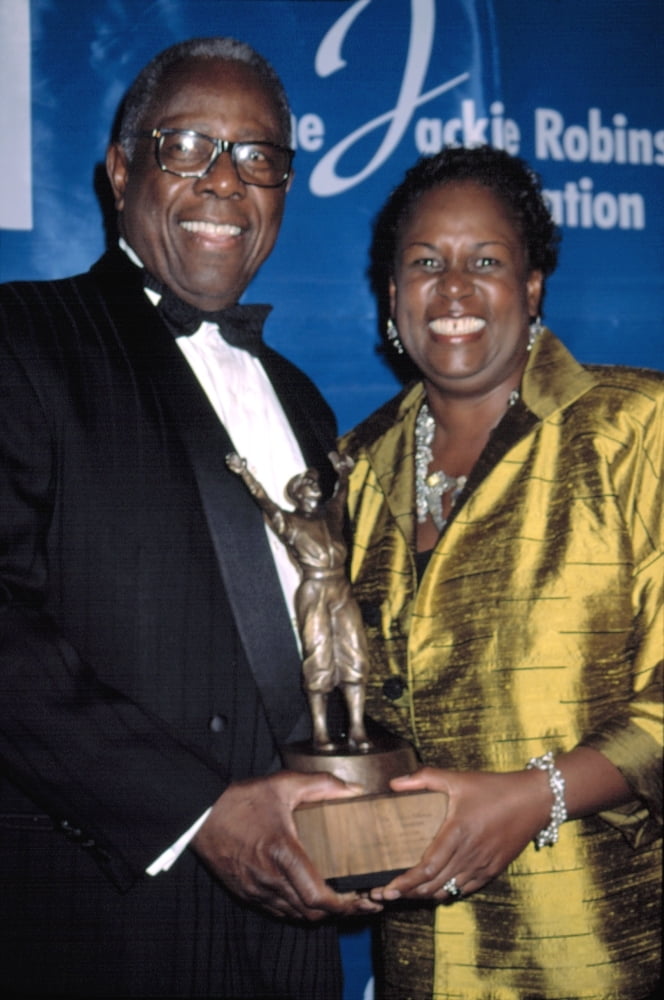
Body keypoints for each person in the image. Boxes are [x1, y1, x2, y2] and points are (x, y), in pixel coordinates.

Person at [0, 37, 379, 999]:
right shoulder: (21, 338)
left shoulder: (303, 401)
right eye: (188, 147)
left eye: (259, 158)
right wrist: (202, 812)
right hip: (98, 922)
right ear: (122, 169)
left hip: (293, 933)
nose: (225, 182)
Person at [340, 145, 662, 1000]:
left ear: (532, 288)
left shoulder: (636, 431)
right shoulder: (354, 473)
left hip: (599, 954)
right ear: (390, 297)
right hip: (415, 959)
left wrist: (537, 795)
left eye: (485, 260)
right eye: (424, 263)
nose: (452, 289)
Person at [227, 450, 370, 753]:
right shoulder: (288, 522)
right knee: (318, 655)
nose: (314, 484)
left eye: (315, 480)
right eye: (308, 482)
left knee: (355, 652)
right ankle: (320, 732)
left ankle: (357, 728)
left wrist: (343, 473)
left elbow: (341, 493)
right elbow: (262, 499)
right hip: (314, 589)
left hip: (341, 587)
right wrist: (244, 473)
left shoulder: (331, 513)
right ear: (297, 493)